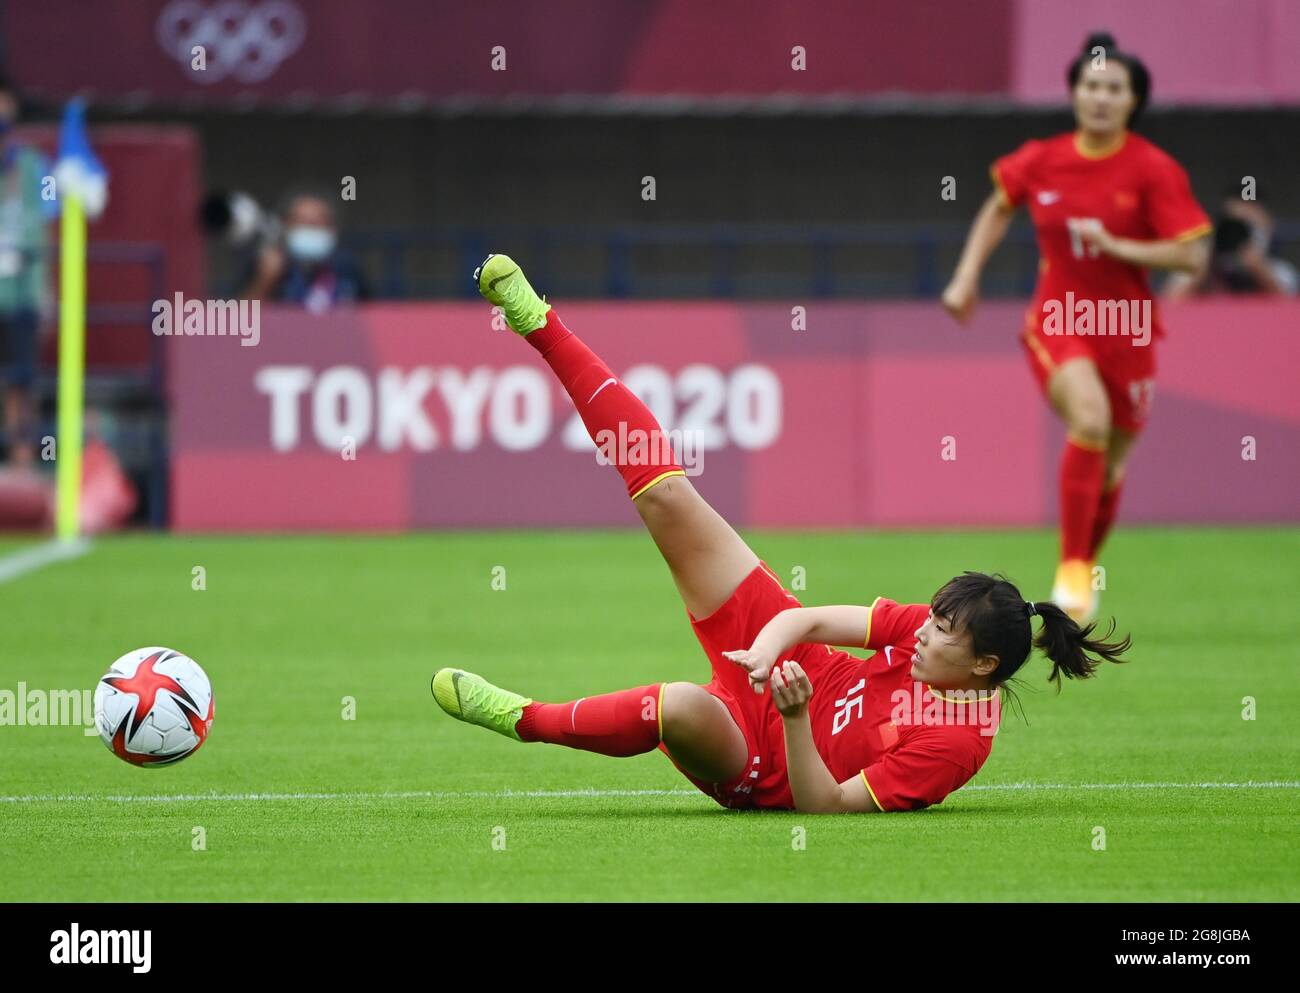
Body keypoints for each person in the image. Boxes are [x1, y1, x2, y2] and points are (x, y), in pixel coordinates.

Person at [430, 254, 1130, 813]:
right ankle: (541, 322)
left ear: (983, 665)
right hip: (795, 663)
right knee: (670, 495)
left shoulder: (954, 746)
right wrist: (767, 652)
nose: (924, 631)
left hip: (771, 764)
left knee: (676, 706)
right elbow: (816, 617)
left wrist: (791, 715)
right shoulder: (931, 630)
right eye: (936, 617)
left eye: (944, 632)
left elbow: (821, 803)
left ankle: (523, 718)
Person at [941, 32, 1211, 623]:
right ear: (1074, 93)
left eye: (1115, 88)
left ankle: (1083, 567)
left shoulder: (1152, 169)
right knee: (1088, 417)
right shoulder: (1042, 158)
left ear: (1133, 100)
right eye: (1091, 85)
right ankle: (1070, 571)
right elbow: (998, 204)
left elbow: (1193, 255)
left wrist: (1120, 244)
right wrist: (967, 277)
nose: (1100, 97)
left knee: (1112, 465)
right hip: (1060, 317)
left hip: (1130, 331)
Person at [0, 78, 56, 466]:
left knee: (22, 381)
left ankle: (23, 461)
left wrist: (48, 290)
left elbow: (50, 221)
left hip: (22, 293)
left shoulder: (40, 167)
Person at [243, 191, 368, 311]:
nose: (310, 229)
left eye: (317, 223)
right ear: (285, 226)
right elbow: (238, 323)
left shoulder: (348, 269)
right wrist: (265, 280)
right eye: (302, 222)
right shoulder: (262, 266)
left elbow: (373, 316)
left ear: (333, 229)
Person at [1165, 195, 1298, 297]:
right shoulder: (1201, 272)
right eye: (1232, 227)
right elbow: (1170, 306)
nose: (1237, 236)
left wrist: (1259, 268)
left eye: (1246, 227)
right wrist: (1202, 264)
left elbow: (1291, 316)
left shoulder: (1282, 272)